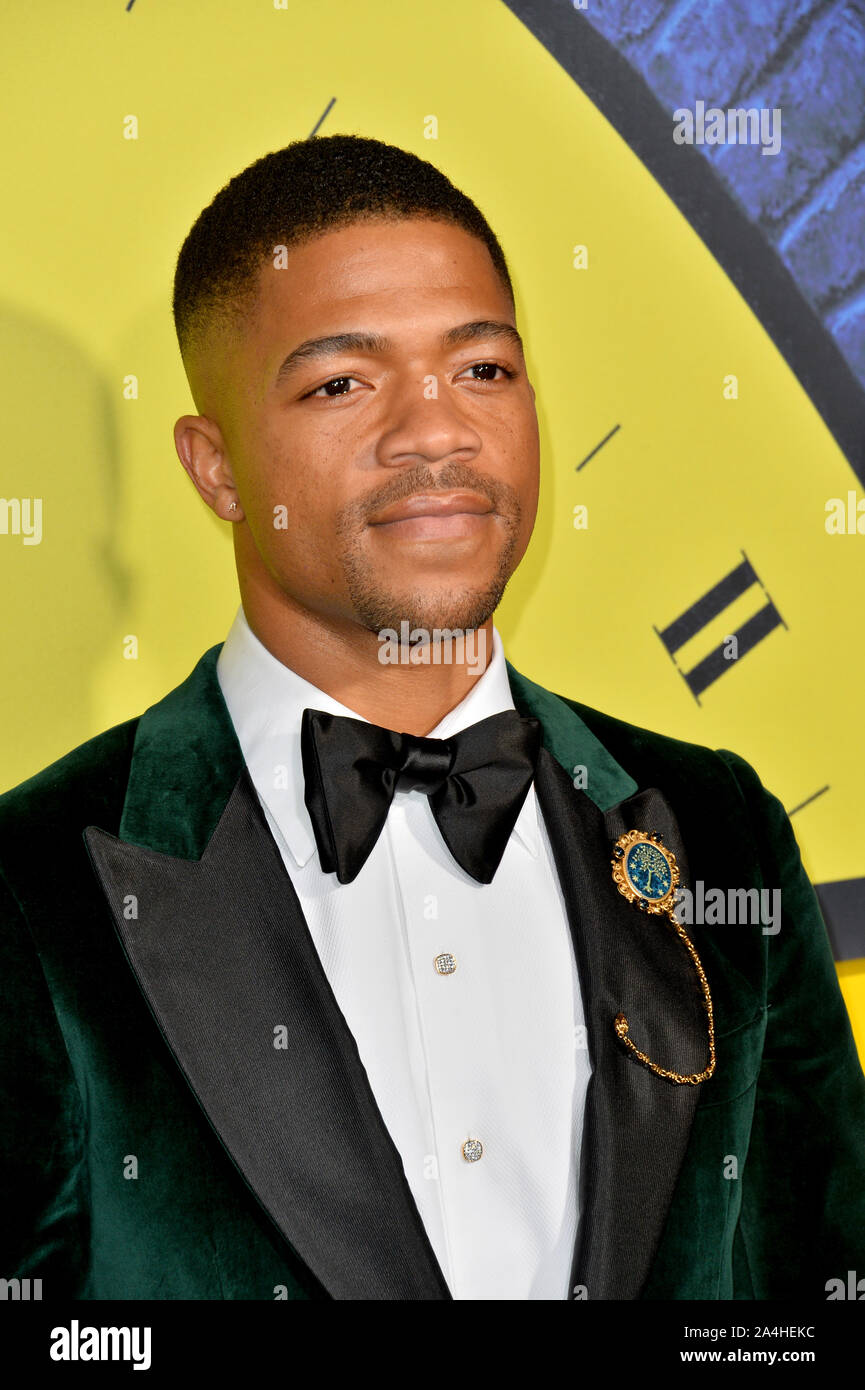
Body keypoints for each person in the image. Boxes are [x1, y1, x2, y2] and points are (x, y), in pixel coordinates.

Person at [1, 134, 863, 1302]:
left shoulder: (715, 825)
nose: (435, 432)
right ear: (216, 469)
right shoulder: (30, 883)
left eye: (483, 371)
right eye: (342, 384)